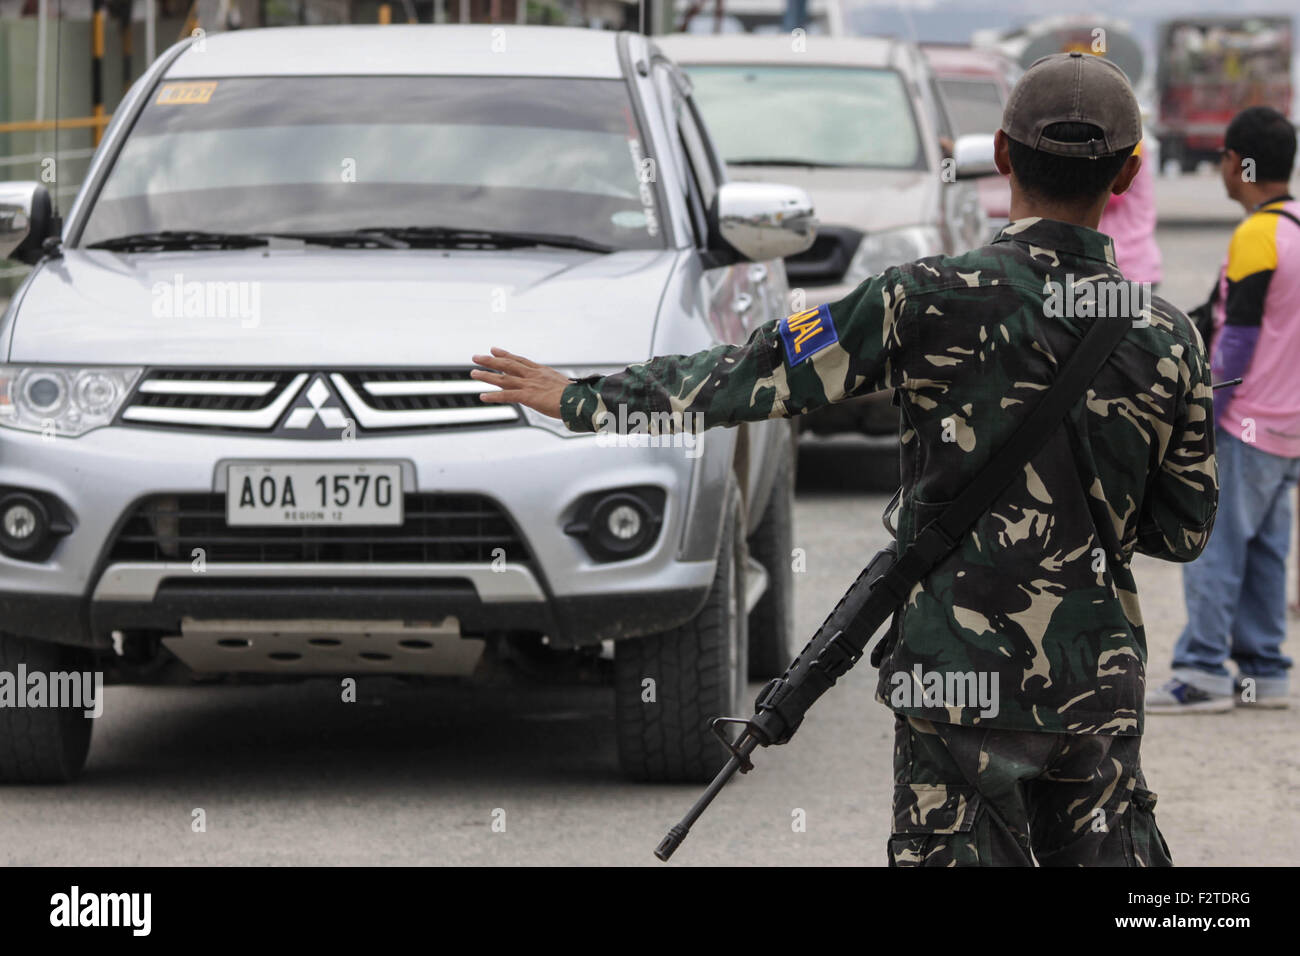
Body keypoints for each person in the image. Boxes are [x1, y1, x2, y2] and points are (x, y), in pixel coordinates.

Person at [471, 52, 1216, 866]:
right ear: (1130, 172)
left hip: (954, 684)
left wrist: (581, 397)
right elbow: (1182, 532)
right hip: (1094, 689)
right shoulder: (1166, 335)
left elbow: (756, 370)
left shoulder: (916, 297)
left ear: (1002, 155)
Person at [1148, 106, 1299, 714]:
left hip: (1247, 421)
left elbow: (1236, 334)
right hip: (1287, 427)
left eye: (1223, 159)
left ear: (1239, 163)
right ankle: (1264, 670)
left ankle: (1203, 668)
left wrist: (1208, 406)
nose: (1220, 169)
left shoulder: (1258, 235)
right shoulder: (1296, 228)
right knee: (1264, 547)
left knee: (1213, 543)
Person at [1098, 139, 1163, 286]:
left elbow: (1110, 195)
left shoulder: (1129, 141)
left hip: (1128, 266)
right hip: (1130, 263)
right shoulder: (1125, 137)